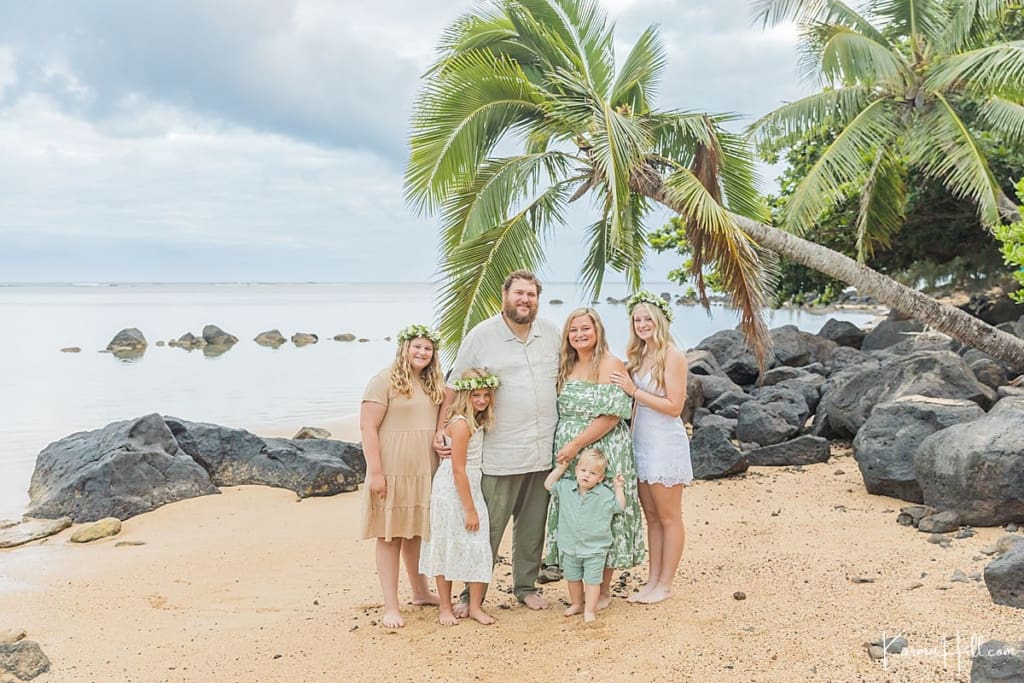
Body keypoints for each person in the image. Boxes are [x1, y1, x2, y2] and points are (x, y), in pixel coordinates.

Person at [437, 269, 560, 614]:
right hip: (500, 452)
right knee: (486, 530)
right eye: (519, 293)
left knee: (533, 528)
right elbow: (454, 384)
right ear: (505, 295)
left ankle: (525, 586)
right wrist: (441, 428)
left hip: (543, 450)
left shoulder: (551, 333)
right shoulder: (482, 336)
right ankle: (470, 595)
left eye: (531, 294)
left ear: (537, 299)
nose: (525, 299)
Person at [545, 307, 645, 609]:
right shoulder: (567, 365)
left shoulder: (610, 363)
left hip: (604, 449)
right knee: (576, 515)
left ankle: (602, 590)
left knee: (603, 515)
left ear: (598, 330)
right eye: (573, 330)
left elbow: (612, 415)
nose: (579, 335)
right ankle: (581, 587)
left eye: (585, 328)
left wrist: (576, 444)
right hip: (570, 453)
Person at [610, 291, 693, 604]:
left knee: (669, 516)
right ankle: (652, 580)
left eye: (647, 319)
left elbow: (674, 407)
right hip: (640, 442)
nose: (642, 324)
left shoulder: (673, 356)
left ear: (660, 320)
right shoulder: (639, 354)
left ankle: (666, 583)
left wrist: (634, 391)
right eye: (637, 319)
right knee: (652, 517)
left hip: (664, 443)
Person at [360, 323, 444, 628]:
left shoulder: (432, 382)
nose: (422, 352)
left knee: (416, 531)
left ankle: (421, 591)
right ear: (404, 348)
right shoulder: (382, 380)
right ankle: (391, 606)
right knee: (390, 534)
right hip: (393, 468)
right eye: (417, 346)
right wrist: (376, 472)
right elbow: (368, 428)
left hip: (424, 467)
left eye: (428, 348)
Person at [419, 368, 499, 626]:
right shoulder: (462, 424)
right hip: (454, 490)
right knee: (447, 544)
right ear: (465, 395)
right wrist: (470, 508)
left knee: (477, 547)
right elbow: (458, 468)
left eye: (486, 395)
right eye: (476, 395)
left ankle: (474, 606)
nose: (482, 400)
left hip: (469, 485)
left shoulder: (476, 420)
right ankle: (444, 606)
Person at [543, 448, 626, 623]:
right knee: (572, 577)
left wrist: (618, 488)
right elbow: (548, 485)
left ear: (601, 478)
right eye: (583, 471)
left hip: (595, 548)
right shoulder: (565, 487)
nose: (586, 475)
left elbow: (619, 507)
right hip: (570, 545)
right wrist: (559, 469)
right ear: (576, 471)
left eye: (593, 473)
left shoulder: (604, 494)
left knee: (592, 580)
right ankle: (577, 603)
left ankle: (589, 609)